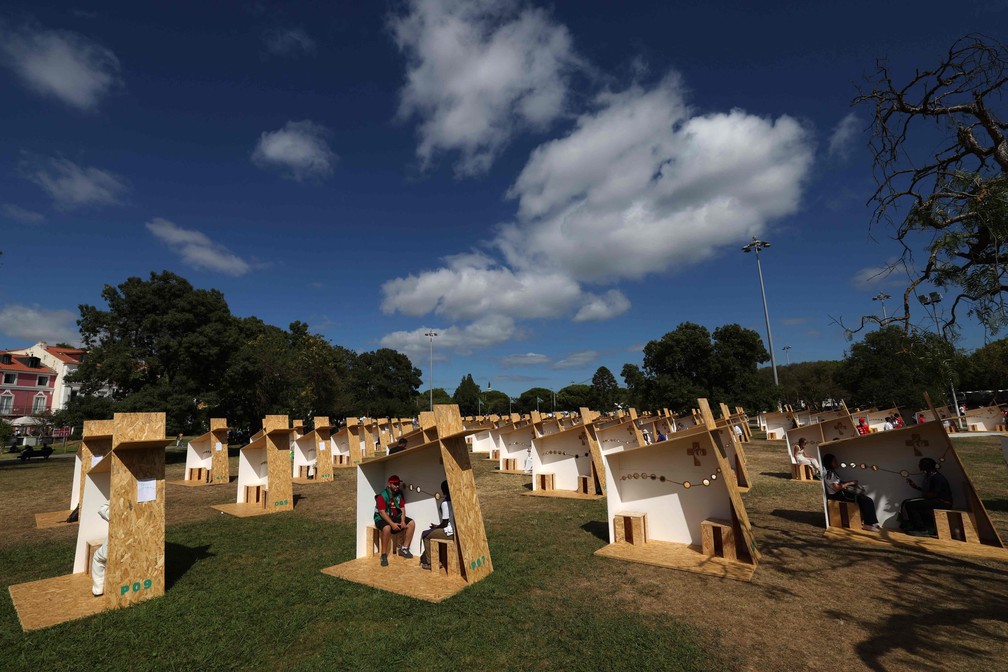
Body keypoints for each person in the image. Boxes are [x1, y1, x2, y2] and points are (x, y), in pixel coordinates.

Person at [822, 453, 881, 532]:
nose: (837, 462)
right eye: (834, 461)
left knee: (864, 498)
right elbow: (837, 488)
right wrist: (850, 483)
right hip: (838, 495)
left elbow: (839, 484)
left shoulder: (832, 473)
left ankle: (869, 522)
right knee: (866, 500)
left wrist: (850, 484)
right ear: (830, 463)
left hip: (840, 493)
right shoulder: (830, 474)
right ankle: (868, 524)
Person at [900, 458, 953, 537]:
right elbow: (929, 491)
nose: (919, 465)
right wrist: (916, 487)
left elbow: (934, 494)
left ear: (927, 466)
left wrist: (924, 496)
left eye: (921, 464)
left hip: (942, 502)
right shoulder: (930, 476)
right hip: (936, 500)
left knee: (910, 505)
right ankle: (915, 526)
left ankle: (921, 529)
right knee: (906, 502)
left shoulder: (937, 477)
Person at [374, 474, 415, 566]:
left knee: (411, 523)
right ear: (389, 484)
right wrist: (392, 524)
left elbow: (402, 508)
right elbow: (382, 512)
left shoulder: (399, 494)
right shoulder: (382, 496)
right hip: (381, 518)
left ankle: (404, 549)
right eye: (395, 484)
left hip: (394, 516)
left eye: (398, 484)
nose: (397, 486)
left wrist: (403, 521)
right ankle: (383, 555)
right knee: (387, 528)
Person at [420, 480, 454, 571]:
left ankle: (430, 563)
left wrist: (436, 527)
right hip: (455, 530)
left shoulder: (445, 503)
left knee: (426, 535)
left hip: (450, 532)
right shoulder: (455, 500)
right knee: (431, 532)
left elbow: (445, 523)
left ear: (443, 491)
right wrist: (437, 526)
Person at [91, 503, 110, 596]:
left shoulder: (117, 512)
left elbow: (102, 510)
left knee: (98, 558)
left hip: (114, 549)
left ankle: (98, 589)